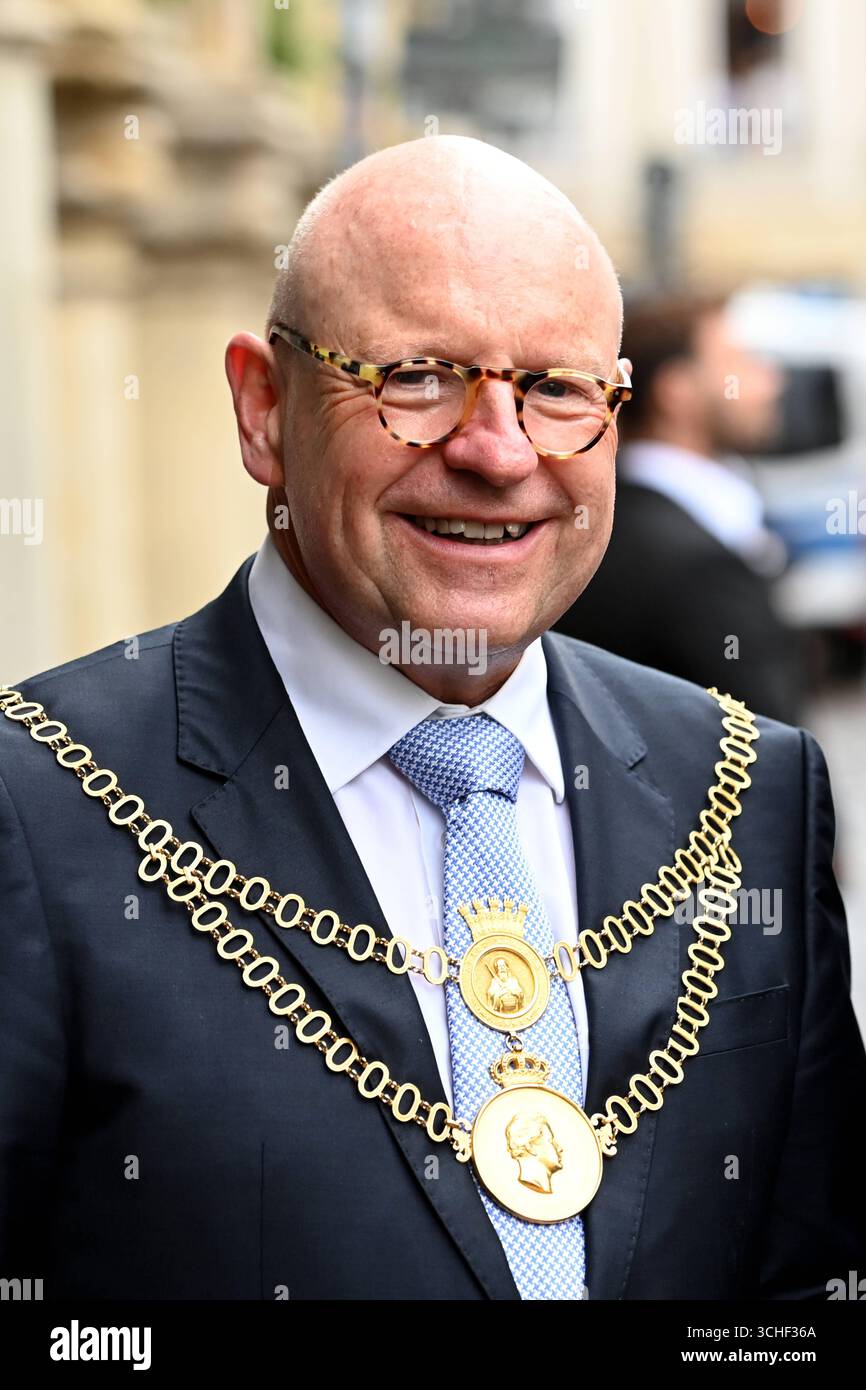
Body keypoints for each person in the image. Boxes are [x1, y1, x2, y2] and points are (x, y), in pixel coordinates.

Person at [0, 137, 863, 1302]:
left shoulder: (748, 787)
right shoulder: (40, 805)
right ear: (263, 409)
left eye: (557, 390)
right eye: (413, 376)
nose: (498, 452)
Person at [555, 295, 808, 724]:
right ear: (677, 391)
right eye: (742, 362)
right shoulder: (690, 561)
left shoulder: (622, 520)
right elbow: (769, 750)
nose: (772, 380)